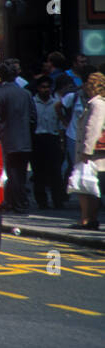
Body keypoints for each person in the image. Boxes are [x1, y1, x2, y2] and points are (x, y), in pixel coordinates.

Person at [0, 63, 33, 214]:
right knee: (20, 173)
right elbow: (33, 117)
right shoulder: (25, 93)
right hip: (24, 139)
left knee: (8, 173)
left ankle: (10, 202)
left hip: (5, 139)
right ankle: (20, 202)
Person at [70, 71, 105, 230]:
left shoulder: (97, 104)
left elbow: (93, 128)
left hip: (92, 156)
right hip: (95, 155)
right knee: (89, 187)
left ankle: (87, 219)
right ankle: (90, 218)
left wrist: (86, 151)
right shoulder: (97, 102)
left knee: (86, 187)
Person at [30, 76, 66, 213]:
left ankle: (58, 200)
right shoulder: (32, 103)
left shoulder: (56, 103)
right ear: (38, 88)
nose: (46, 90)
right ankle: (42, 202)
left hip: (53, 139)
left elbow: (61, 123)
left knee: (55, 173)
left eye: (48, 87)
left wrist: (62, 142)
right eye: (43, 87)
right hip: (38, 140)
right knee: (39, 173)